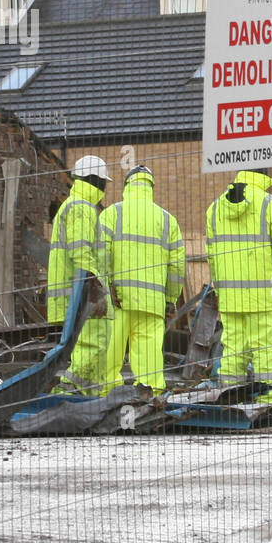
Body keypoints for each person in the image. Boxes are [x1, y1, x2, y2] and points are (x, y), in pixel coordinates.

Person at [205, 169, 272, 409]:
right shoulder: (270, 204)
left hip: (230, 294)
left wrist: (219, 289)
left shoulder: (214, 209)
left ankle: (229, 403)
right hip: (267, 293)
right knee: (266, 352)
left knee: (233, 352)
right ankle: (271, 405)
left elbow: (212, 257)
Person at [99, 165, 185, 394]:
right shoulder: (168, 220)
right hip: (152, 302)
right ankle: (150, 399)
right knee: (149, 362)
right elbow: (177, 267)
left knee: (110, 356)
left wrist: (107, 287)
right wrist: (170, 299)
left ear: (127, 186)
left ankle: (107, 398)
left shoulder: (112, 214)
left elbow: (101, 255)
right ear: (151, 187)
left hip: (117, 301)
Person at [48, 155, 113, 395]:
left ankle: (89, 399)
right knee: (91, 346)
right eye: (104, 184)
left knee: (89, 349)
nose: (105, 190)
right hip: (83, 295)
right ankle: (69, 394)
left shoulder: (73, 204)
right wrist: (94, 289)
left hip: (75, 293)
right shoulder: (82, 208)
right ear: (95, 180)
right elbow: (81, 252)